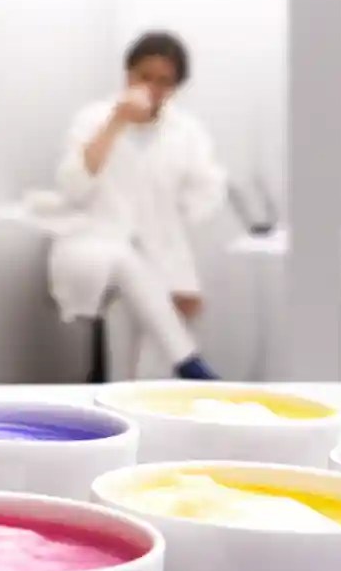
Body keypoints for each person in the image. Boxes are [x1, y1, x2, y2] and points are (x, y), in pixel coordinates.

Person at [51, 32, 224, 380]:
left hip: (154, 257)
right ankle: (192, 365)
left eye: (165, 81)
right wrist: (116, 123)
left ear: (176, 87)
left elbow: (202, 198)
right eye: (144, 77)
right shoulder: (93, 119)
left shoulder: (187, 132)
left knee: (153, 352)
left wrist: (183, 281)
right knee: (121, 258)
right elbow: (73, 187)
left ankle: (154, 397)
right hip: (90, 245)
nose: (152, 88)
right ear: (127, 75)